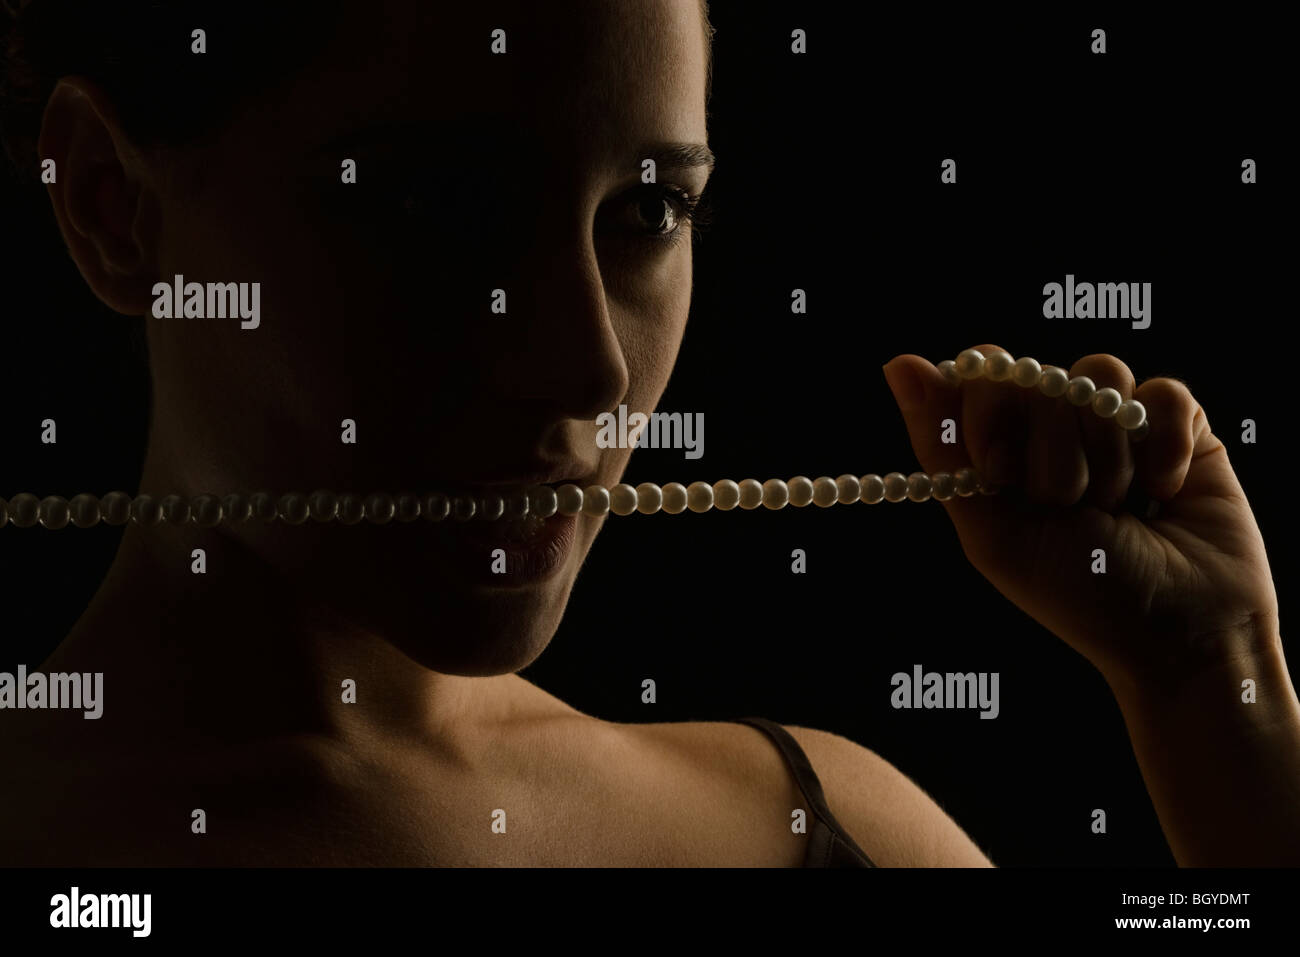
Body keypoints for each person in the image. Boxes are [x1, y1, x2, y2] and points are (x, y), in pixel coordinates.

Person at [0, 0, 1295, 867]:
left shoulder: (817, 825)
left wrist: (1212, 692)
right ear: (113, 206)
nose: (589, 363)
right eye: (442, 204)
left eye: (651, 207)